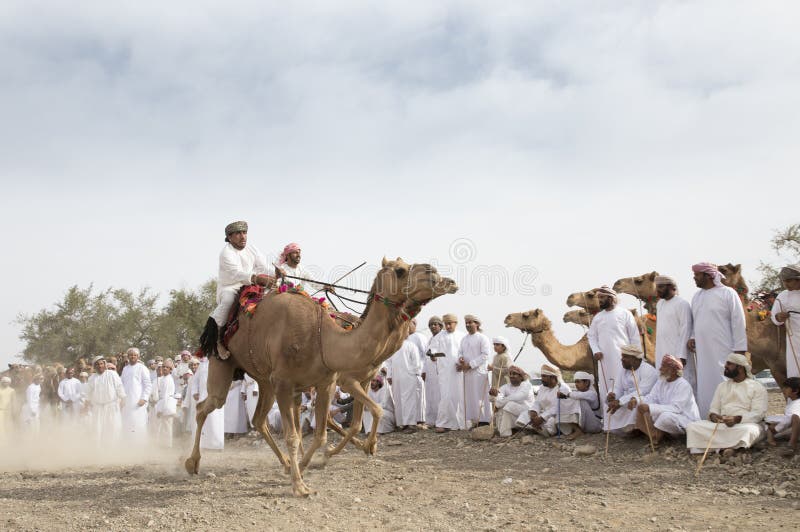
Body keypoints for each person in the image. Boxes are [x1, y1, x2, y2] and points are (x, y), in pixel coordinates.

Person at [201, 221, 273, 358]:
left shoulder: (252, 248)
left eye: (244, 233)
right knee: (228, 301)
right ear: (229, 237)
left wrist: (276, 273)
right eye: (238, 233)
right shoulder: (226, 253)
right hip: (231, 286)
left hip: (252, 284)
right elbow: (236, 273)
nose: (243, 236)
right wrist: (257, 279)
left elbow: (264, 266)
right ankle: (218, 340)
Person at [687, 262, 747, 418]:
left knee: (724, 380)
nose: (694, 278)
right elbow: (696, 321)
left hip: (724, 349)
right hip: (703, 351)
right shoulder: (697, 297)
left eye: (697, 275)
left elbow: (738, 322)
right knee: (705, 384)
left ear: (708, 276)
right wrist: (692, 337)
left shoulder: (728, 293)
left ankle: (729, 417)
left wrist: (740, 349)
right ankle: (708, 417)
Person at [686, 353, 768, 458]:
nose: (725, 366)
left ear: (740, 367)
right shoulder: (722, 386)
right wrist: (714, 416)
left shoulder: (757, 387)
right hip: (722, 424)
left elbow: (759, 414)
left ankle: (715, 447)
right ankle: (731, 448)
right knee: (692, 426)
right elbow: (714, 408)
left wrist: (736, 419)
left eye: (729, 364)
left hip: (744, 424)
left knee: (749, 431)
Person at [587, 286, 641, 410]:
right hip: (604, 361)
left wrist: (636, 357)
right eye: (598, 297)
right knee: (606, 389)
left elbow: (634, 336)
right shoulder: (598, 318)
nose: (599, 300)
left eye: (602, 297)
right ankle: (609, 424)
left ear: (610, 298)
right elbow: (591, 336)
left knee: (624, 387)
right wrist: (596, 350)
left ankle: (627, 424)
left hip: (624, 360)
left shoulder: (625, 313)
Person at [635, 355, 700, 444]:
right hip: (666, 413)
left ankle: (659, 436)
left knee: (665, 417)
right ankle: (655, 435)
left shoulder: (683, 385)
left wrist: (650, 407)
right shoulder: (661, 381)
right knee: (641, 408)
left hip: (685, 418)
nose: (660, 369)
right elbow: (651, 397)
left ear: (673, 371)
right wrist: (638, 401)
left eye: (663, 366)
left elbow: (676, 408)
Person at [653, 276, 695, 392]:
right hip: (662, 351)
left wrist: (681, 356)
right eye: (657, 287)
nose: (658, 290)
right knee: (664, 385)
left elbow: (686, 329)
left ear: (671, 287)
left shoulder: (682, 304)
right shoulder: (660, 304)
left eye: (661, 287)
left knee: (682, 385)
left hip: (677, 353)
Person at [606, 344, 659, 434]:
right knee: (608, 405)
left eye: (625, 357)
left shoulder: (648, 370)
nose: (622, 359)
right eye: (622, 356)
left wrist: (620, 402)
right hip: (626, 398)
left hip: (643, 398)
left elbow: (642, 391)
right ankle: (627, 429)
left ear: (636, 359)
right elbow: (618, 387)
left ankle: (639, 429)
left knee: (636, 404)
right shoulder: (623, 370)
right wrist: (613, 394)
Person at [431, 314, 466, 432]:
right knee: (446, 396)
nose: (448, 326)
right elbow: (433, 349)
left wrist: (462, 361)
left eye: (450, 323)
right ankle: (444, 423)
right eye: (446, 324)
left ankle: (462, 423)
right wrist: (433, 355)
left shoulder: (462, 336)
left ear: (456, 323)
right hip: (445, 372)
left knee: (460, 395)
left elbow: (464, 352)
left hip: (458, 371)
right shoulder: (439, 336)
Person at [457, 315, 492, 427]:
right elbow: (460, 352)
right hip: (467, 373)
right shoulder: (464, 339)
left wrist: (471, 365)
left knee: (480, 397)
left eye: (470, 322)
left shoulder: (482, 338)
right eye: (466, 323)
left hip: (479, 373)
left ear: (477, 324)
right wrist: (460, 358)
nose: (467, 325)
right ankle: (474, 420)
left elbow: (485, 355)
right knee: (470, 397)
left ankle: (484, 421)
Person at [526, 364, 580, 437]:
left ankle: (542, 430)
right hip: (544, 414)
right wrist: (534, 412)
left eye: (544, 376)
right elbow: (537, 402)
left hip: (558, 415)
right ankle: (537, 427)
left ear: (553, 377)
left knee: (551, 421)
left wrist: (542, 418)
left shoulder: (563, 388)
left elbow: (556, 408)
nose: (541, 379)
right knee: (526, 414)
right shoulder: (542, 387)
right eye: (542, 376)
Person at [386, 333, 425, 432]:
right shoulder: (393, 346)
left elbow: (416, 362)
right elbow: (389, 362)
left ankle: (411, 424)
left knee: (408, 400)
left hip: (409, 377)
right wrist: (389, 375)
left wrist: (414, 373)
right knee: (398, 399)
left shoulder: (411, 345)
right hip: (396, 377)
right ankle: (402, 423)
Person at [85, 356, 126, 444]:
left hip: (112, 406)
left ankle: (113, 450)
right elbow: (88, 394)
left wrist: (123, 399)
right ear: (94, 367)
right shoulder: (92, 378)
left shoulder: (112, 374)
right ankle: (99, 452)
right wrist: (85, 406)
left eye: (101, 364)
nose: (100, 366)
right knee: (97, 430)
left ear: (104, 364)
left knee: (113, 428)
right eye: (97, 364)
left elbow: (119, 387)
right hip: (98, 407)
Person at [771, 264, 800, 378]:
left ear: (798, 279)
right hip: (794, 341)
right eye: (784, 281)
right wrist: (779, 317)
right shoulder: (783, 296)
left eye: (789, 281)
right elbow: (774, 317)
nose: (786, 284)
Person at [490, 365, 534, 437]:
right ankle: (506, 432)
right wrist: (493, 395)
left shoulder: (527, 385)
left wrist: (498, 404)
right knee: (503, 408)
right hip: (512, 412)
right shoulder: (507, 386)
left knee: (509, 405)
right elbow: (497, 397)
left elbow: (517, 397)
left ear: (520, 376)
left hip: (526, 411)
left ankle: (505, 433)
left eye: (514, 374)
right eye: (510, 374)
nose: (511, 376)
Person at [191, 355, 224, 450]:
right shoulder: (201, 364)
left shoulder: (219, 363)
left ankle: (216, 445)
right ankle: (202, 444)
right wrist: (195, 392)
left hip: (215, 396)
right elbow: (195, 381)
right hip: (202, 397)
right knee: (202, 420)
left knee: (214, 421)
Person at [120, 347, 152, 444]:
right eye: (131, 355)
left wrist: (144, 398)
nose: (132, 356)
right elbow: (121, 385)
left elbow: (148, 385)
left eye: (134, 355)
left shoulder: (142, 368)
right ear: (128, 356)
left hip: (138, 402)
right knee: (126, 424)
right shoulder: (125, 369)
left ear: (138, 356)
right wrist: (121, 399)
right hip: (126, 402)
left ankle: (140, 447)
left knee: (138, 424)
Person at [765, 377, 800, 456]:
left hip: (796, 428)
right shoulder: (794, 403)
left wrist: (775, 429)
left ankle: (791, 445)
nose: (783, 389)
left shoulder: (794, 405)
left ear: (796, 391)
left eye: (786, 387)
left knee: (794, 418)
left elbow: (787, 421)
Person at [563, 371, 603, 437]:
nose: (576, 384)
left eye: (578, 382)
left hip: (595, 425)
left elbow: (576, 395)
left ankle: (578, 430)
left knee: (581, 401)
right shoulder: (579, 393)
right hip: (587, 424)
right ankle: (577, 429)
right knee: (567, 402)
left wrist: (567, 394)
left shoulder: (592, 393)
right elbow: (575, 395)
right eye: (575, 382)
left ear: (587, 383)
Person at [423, 316, 444, 426]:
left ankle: (440, 420)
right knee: (431, 396)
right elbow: (425, 357)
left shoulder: (443, 337)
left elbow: (446, 353)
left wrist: (436, 357)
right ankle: (432, 421)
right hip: (430, 373)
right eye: (431, 325)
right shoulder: (430, 339)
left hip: (439, 371)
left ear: (440, 326)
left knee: (439, 396)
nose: (433, 326)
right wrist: (424, 371)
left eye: (435, 324)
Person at [155, 365, 178, 447]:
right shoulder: (163, 379)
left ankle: (167, 445)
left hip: (167, 404)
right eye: (163, 367)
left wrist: (161, 409)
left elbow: (166, 395)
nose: (164, 368)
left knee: (167, 426)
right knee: (164, 426)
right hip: (163, 403)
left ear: (170, 370)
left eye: (167, 367)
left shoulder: (168, 379)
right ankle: (163, 444)